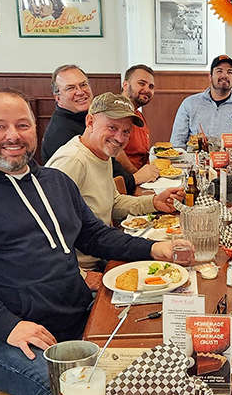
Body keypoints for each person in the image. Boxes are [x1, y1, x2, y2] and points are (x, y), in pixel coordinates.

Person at [0, 89, 188, 395]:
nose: (13, 135)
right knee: (64, 391)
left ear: (34, 131)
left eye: (22, 125)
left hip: (71, 317)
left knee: (158, 355)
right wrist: (9, 325)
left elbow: (94, 235)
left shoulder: (54, 182)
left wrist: (152, 249)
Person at [46, 92, 184, 272]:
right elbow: (46, 233)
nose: (120, 138)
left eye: (126, 131)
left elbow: (115, 203)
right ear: (90, 122)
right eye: (112, 128)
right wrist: (83, 278)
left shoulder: (102, 154)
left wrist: (154, 202)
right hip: (81, 270)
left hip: (104, 255)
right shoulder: (73, 161)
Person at [39, 64, 157, 192]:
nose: (80, 92)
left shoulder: (88, 115)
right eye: (70, 88)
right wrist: (134, 178)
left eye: (83, 85)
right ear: (58, 98)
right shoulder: (61, 136)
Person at [170, 55, 232, 148]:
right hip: (194, 160)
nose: (224, 75)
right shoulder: (189, 104)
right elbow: (177, 144)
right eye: (219, 71)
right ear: (210, 77)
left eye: (230, 72)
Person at [117, 64, 156, 171]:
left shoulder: (138, 114)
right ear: (125, 85)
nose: (147, 90)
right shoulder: (115, 112)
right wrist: (136, 175)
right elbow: (116, 151)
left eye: (151, 87)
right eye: (141, 83)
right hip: (127, 181)